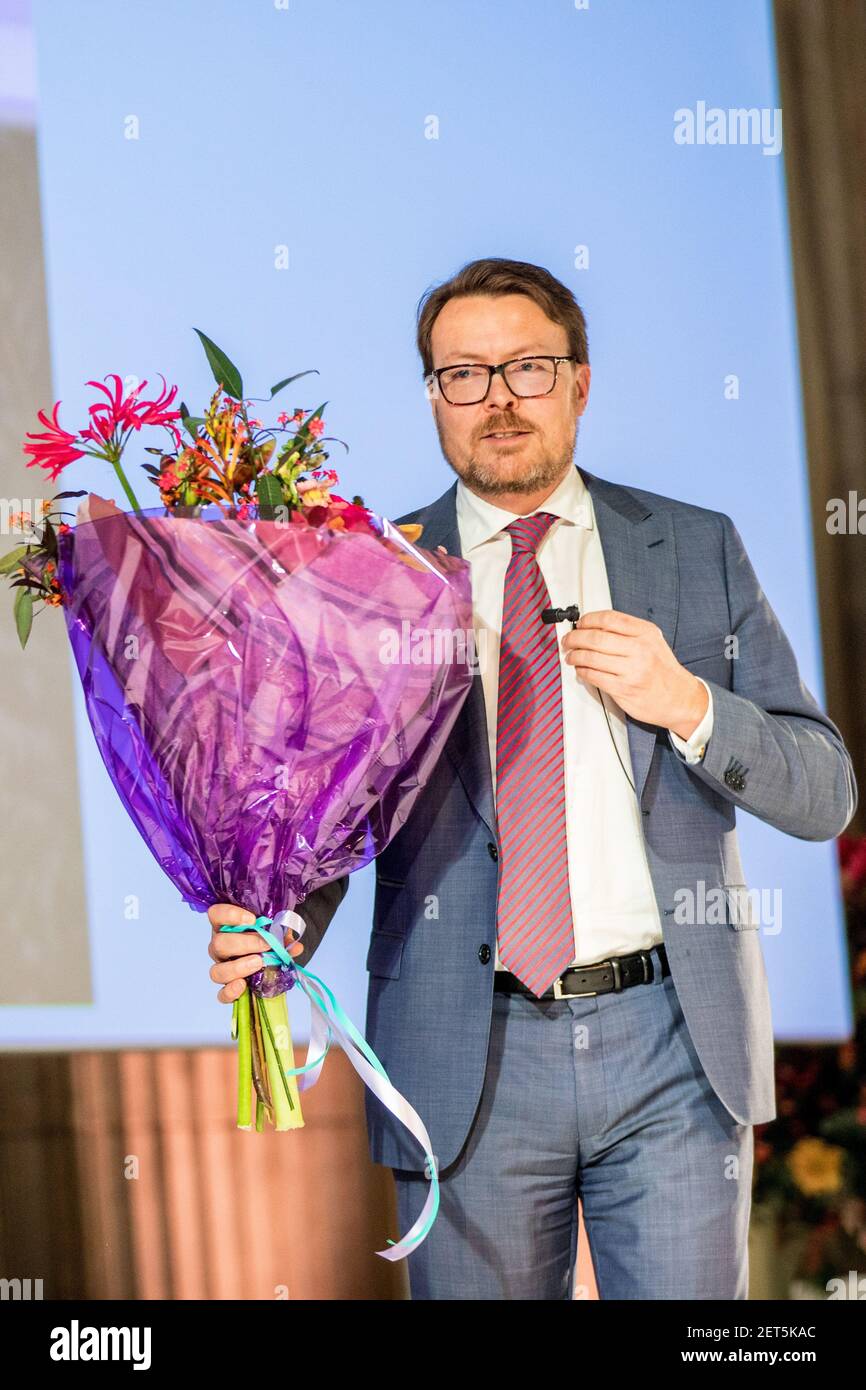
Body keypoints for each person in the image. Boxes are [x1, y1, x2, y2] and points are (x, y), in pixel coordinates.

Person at [207, 257, 857, 1300]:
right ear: (432, 397)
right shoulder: (373, 574)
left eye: (527, 367)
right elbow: (329, 819)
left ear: (580, 382)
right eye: (462, 374)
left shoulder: (694, 549)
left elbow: (821, 791)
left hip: (673, 1049)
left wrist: (687, 702)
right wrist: (281, 930)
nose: (497, 398)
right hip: (462, 1057)